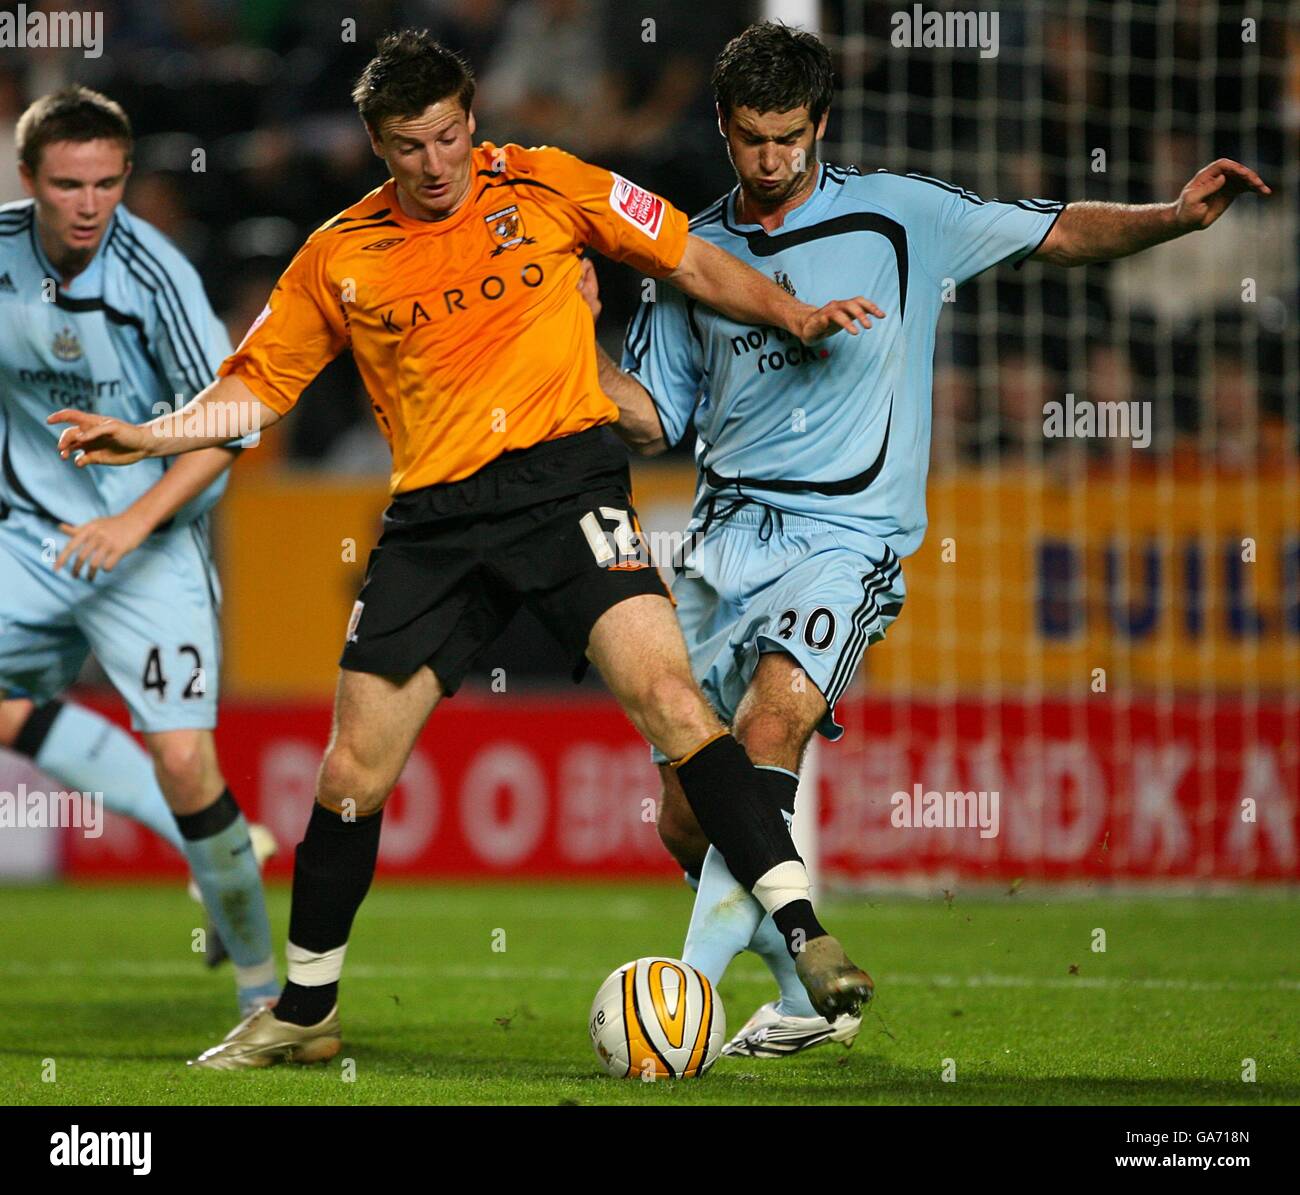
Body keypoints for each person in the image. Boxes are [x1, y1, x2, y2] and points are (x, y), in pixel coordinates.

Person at [52, 30, 886, 1070]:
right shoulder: (338, 254)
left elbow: (691, 256)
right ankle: (305, 1012)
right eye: (410, 146)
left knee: (673, 701)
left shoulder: (548, 183)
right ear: (375, 144)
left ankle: (807, 935)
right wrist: (147, 431)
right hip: (434, 525)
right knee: (351, 772)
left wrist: (793, 313)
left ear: (472, 117)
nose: (436, 162)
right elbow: (252, 392)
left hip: (564, 487)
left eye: (450, 135)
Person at [582, 20, 1271, 1057]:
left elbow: (1056, 230)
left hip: (846, 538)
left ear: (820, 124)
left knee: (772, 731)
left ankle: (675, 1008)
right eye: (750, 139)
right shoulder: (691, 256)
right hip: (724, 545)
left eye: (790, 138)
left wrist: (1171, 216)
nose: (771, 161)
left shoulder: (898, 215)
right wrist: (560, 359)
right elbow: (653, 418)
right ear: (722, 128)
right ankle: (811, 998)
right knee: (686, 817)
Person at [0, 85, 277, 1014]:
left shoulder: (154, 277)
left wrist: (132, 521)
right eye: (69, 184)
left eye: (108, 184)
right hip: (31, 536)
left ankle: (263, 998)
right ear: (28, 177)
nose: (89, 205)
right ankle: (217, 846)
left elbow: (231, 421)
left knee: (188, 763)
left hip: (148, 541)